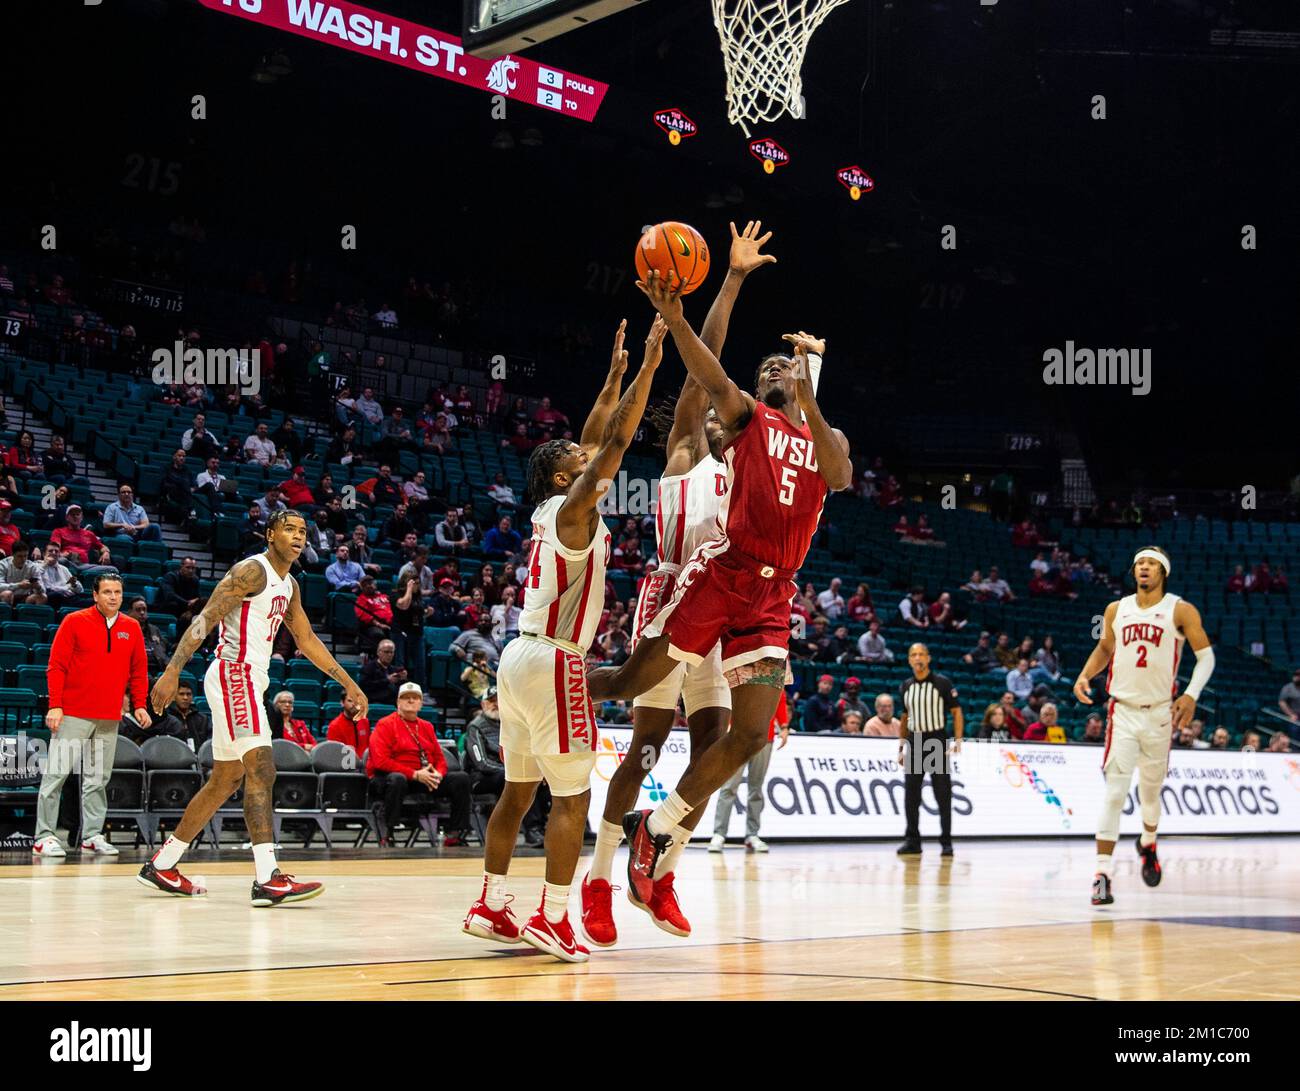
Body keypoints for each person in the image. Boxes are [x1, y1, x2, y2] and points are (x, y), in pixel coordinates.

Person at [589, 259, 850, 908]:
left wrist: (807, 385)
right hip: (709, 579)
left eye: (780, 368)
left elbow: (839, 472)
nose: (772, 373)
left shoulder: (821, 437)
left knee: (741, 738)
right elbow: (705, 372)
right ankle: (553, 690)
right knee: (633, 700)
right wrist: (688, 309)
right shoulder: (726, 429)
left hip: (771, 596)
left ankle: (661, 840)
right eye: (765, 370)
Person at [584, 230, 777, 945]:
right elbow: (706, 373)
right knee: (643, 751)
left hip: (722, 616)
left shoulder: (752, 461)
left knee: (715, 750)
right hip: (670, 603)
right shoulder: (687, 450)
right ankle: (599, 879)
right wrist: (727, 283)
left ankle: (660, 868)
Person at [463, 313, 663, 964]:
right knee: (573, 797)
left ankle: (491, 901)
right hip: (554, 661)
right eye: (575, 461)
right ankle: (553, 916)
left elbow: (597, 429)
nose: (586, 454)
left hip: (517, 658)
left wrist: (615, 373)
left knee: (518, 792)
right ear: (561, 477)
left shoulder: (555, 509)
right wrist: (652, 369)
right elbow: (614, 442)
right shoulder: (575, 508)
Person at [141, 510, 369, 905]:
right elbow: (206, 617)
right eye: (289, 530)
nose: (298, 537)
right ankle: (267, 877)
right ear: (269, 534)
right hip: (234, 672)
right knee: (262, 766)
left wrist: (349, 682)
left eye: (303, 532)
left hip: (251, 678)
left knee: (226, 779)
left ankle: (164, 863)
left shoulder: (290, 585)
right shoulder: (252, 571)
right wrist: (172, 670)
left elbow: (307, 639)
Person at [1073, 546, 1213, 907]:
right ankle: (1101, 875)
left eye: (1151, 563)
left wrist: (1192, 694)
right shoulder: (1116, 609)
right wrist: (1085, 674)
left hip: (1161, 713)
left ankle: (1148, 844)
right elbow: (1105, 648)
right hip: (1122, 712)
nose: (1144, 568)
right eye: (1139, 563)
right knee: (1115, 792)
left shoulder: (1180, 610)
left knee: (1151, 793)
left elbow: (1206, 657)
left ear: (1163, 571)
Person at [32, 572, 150, 857]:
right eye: (107, 592)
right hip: (73, 713)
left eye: (118, 592)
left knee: (98, 779)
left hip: (109, 716)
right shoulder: (74, 621)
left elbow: (138, 670)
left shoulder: (131, 627)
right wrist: (55, 705)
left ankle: (92, 835)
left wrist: (139, 704)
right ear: (95, 595)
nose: (113, 597)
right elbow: (56, 665)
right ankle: (43, 836)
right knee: (56, 776)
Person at [368, 682, 471, 846]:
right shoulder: (385, 724)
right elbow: (381, 761)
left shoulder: (427, 726)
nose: (410, 701)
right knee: (397, 779)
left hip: (423, 778)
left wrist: (438, 774)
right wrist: (415, 774)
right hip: (388, 778)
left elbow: (439, 758)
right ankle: (388, 833)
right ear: (398, 703)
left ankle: (455, 833)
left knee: (461, 778)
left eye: (415, 698)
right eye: (406, 698)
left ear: (421, 703)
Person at [710, 660, 792, 852]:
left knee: (756, 789)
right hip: (738, 734)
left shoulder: (775, 666)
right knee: (729, 786)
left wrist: (785, 726)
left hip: (766, 736)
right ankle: (719, 834)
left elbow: (780, 697)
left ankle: (752, 835)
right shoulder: (742, 661)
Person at [895, 643, 963, 857]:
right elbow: (905, 717)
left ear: (929, 658)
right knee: (911, 795)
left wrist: (958, 740)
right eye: (913, 654)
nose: (917, 658)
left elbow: (956, 711)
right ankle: (912, 840)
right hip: (914, 740)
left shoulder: (942, 683)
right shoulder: (906, 686)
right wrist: (901, 745)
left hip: (936, 739)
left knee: (942, 793)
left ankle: (946, 842)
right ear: (909, 660)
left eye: (921, 654)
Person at [142, 681, 212, 752]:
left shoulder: (203, 719)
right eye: (181, 694)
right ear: (174, 697)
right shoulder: (167, 719)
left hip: (199, 757)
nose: (185, 697)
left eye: (188, 694)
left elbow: (210, 739)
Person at [463, 686, 506, 800]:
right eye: (491, 701)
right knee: (509, 779)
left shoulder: (509, 724)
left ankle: (539, 817)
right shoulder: (475, 727)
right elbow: (482, 763)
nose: (496, 704)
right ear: (483, 704)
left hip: (505, 773)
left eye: (499, 700)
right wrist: (509, 771)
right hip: (480, 778)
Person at [156, 556, 202, 627]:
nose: (190, 571)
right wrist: (187, 603)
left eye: (193, 568)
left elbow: (198, 597)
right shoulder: (170, 576)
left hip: (185, 609)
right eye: (188, 567)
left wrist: (196, 600)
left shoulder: (195, 579)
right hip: (168, 608)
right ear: (181, 566)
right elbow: (170, 595)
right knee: (173, 605)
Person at [128, 597, 171, 674]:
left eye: (144, 609)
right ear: (130, 612)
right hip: (138, 670)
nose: (142, 612)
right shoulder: (125, 629)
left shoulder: (154, 630)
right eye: (138, 610)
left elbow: (168, 646)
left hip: (160, 668)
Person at [327, 692, 372, 763]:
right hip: (346, 765)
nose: (354, 704)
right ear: (342, 703)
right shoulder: (335, 726)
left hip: (365, 764)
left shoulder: (365, 721)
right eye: (350, 701)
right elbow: (334, 753)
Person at [37, 543, 85, 607]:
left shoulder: (64, 569)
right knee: (55, 595)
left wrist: (74, 585)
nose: (54, 553)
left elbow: (80, 590)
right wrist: (45, 565)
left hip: (69, 599)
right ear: (44, 554)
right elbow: (36, 579)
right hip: (51, 598)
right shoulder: (37, 566)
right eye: (50, 551)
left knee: (93, 601)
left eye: (56, 551)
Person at [360, 639, 406, 704]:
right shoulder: (369, 668)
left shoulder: (394, 669)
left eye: (391, 652)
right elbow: (364, 687)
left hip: (392, 703)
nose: (389, 655)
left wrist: (403, 680)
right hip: (374, 702)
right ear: (378, 652)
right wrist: (387, 680)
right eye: (386, 652)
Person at [0, 540, 43, 605]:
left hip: (26, 597)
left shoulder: (33, 566)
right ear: (12, 554)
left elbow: (43, 590)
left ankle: (30, 614)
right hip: (7, 595)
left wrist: (38, 587)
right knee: (7, 594)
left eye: (25, 556)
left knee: (42, 597)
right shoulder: (3, 564)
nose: (23, 559)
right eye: (19, 556)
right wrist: (18, 585)